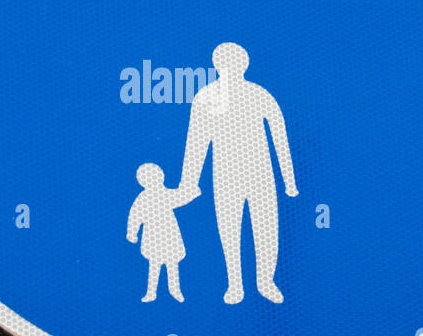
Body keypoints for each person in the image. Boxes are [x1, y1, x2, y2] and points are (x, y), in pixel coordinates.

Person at [179, 42, 297, 303]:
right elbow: (196, 143)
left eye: (235, 62)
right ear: (217, 65)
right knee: (229, 229)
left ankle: (266, 281)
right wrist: (189, 182)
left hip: (260, 173)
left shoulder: (259, 95)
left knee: (266, 229)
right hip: (226, 174)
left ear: (245, 64)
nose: (231, 67)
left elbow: (280, 139)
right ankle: (235, 284)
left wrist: (289, 180)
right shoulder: (205, 98)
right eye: (226, 62)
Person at [127, 163, 193, 302]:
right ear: (142, 182)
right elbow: (135, 216)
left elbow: (180, 197)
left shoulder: (165, 193)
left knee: (172, 265)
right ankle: (151, 293)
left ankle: (175, 290)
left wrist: (191, 193)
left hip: (169, 236)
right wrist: (132, 233)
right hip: (153, 237)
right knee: (154, 266)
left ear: (161, 177)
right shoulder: (143, 198)